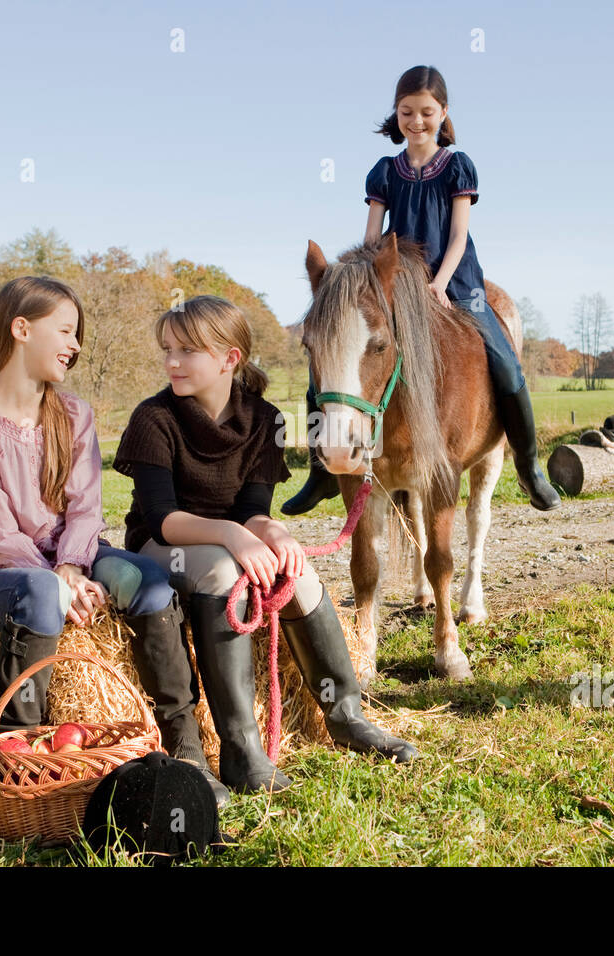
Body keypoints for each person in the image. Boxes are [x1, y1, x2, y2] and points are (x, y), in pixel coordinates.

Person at [112, 295, 418, 797]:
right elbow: (163, 520)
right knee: (220, 571)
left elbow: (253, 508)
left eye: (187, 351)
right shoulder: (154, 418)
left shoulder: (265, 420)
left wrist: (272, 532)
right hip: (163, 545)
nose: (171, 361)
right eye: (167, 349)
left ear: (230, 358)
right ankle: (241, 751)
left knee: (297, 574)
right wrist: (233, 534)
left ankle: (345, 716)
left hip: (229, 539)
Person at [0, 276, 229, 804]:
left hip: (71, 557)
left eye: (78, 334)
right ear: (21, 329)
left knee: (150, 582)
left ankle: (184, 746)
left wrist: (73, 567)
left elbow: (85, 507)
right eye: (65, 331)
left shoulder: (75, 415)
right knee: (42, 593)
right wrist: (57, 580)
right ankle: (17, 764)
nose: (75, 345)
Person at [282, 64, 562, 515]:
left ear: (443, 112)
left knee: (507, 365)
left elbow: (457, 236)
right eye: (406, 111)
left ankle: (529, 467)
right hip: (396, 284)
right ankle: (322, 473)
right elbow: (372, 241)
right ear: (395, 114)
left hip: (457, 281)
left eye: (426, 112)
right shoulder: (383, 172)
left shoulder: (457, 166)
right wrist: (357, 285)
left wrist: (440, 283)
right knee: (331, 364)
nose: (416, 121)